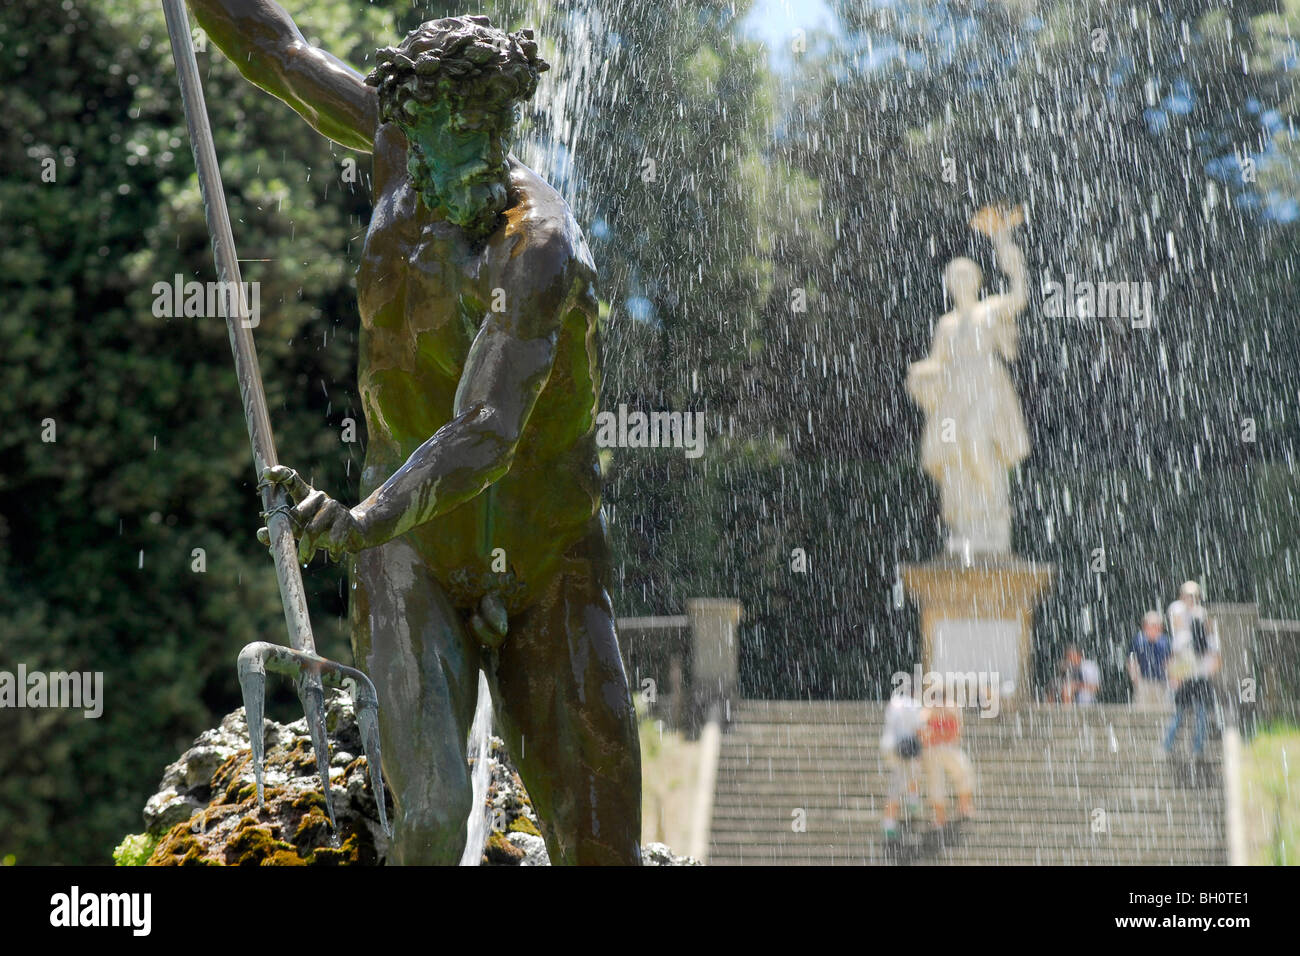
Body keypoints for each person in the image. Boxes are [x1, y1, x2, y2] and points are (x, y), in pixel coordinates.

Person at [189, 3, 642, 863]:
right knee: (430, 819)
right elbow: (271, 47)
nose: (465, 160)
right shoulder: (395, 148)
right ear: (406, 126)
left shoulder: (537, 246)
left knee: (603, 846)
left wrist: (359, 519)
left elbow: (484, 429)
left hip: (547, 564)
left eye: (484, 133)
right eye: (441, 136)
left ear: (507, 120)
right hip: (414, 555)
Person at [1163, 582, 1221, 761]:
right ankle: (1170, 745)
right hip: (1188, 677)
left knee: (1198, 715)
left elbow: (1215, 656)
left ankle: (1194, 748)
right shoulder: (1181, 624)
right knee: (1181, 714)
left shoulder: (1202, 622)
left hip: (1199, 677)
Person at [920, 694, 975, 826]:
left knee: (959, 775)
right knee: (941, 781)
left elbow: (955, 731)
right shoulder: (938, 710)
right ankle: (951, 812)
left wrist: (937, 734)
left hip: (940, 748)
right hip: (938, 748)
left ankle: (959, 809)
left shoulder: (931, 710)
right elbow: (922, 732)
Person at [880, 692, 928, 839]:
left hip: (888, 745)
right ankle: (892, 820)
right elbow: (919, 729)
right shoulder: (914, 705)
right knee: (902, 781)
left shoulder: (894, 702)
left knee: (901, 778)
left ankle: (909, 803)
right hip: (905, 749)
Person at [1128, 611, 1172, 710]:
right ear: (1145, 626)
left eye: (1157, 625)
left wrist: (1170, 678)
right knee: (1141, 711)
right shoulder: (1138, 641)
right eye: (1151, 625)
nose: (1154, 628)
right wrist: (1136, 679)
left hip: (1161, 684)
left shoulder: (1165, 641)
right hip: (1143, 683)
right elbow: (1132, 661)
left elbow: (1169, 661)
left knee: (1163, 712)